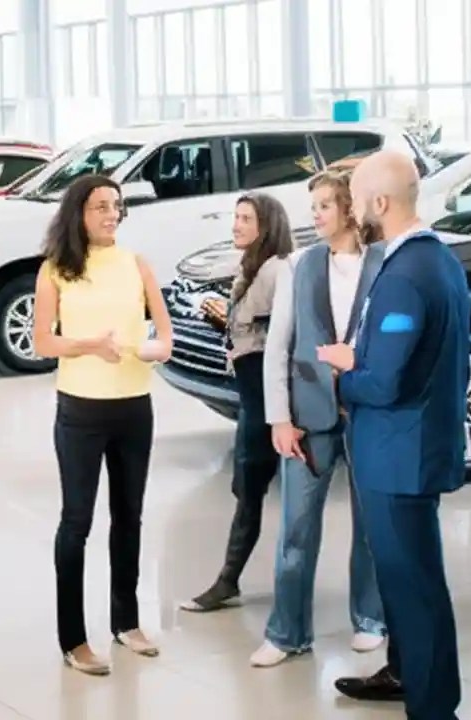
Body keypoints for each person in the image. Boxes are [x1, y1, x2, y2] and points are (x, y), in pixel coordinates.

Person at [316, 150, 466, 719]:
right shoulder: (439, 260)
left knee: (414, 587)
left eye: (356, 199)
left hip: (399, 454)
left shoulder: (405, 275)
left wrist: (344, 375)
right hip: (415, 444)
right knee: (410, 580)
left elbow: (384, 383)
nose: (353, 210)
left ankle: (433, 706)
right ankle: (409, 675)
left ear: (380, 202)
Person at [31, 174, 174, 676]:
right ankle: (73, 638)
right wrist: (91, 345)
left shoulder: (137, 264)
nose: (112, 214)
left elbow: (165, 336)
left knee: (129, 516)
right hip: (80, 411)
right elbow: (43, 341)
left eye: (116, 206)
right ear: (79, 213)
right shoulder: (55, 270)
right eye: (100, 206)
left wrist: (149, 349)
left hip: (134, 406)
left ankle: (126, 620)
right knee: (77, 522)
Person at [249, 170, 387, 668]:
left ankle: (370, 619)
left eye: (325, 205)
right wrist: (279, 419)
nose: (316, 214)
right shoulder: (299, 265)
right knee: (296, 527)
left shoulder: (384, 262)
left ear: (351, 208)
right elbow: (278, 347)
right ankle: (286, 632)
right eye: (314, 206)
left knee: (371, 523)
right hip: (308, 416)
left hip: (369, 412)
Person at [180, 193, 292, 613]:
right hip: (251, 393)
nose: (236, 225)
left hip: (266, 396)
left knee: (251, 489)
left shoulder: (277, 270)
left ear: (267, 225)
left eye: (246, 218)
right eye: (236, 217)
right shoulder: (251, 266)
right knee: (246, 487)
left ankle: (229, 581)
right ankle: (229, 580)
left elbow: (282, 334)